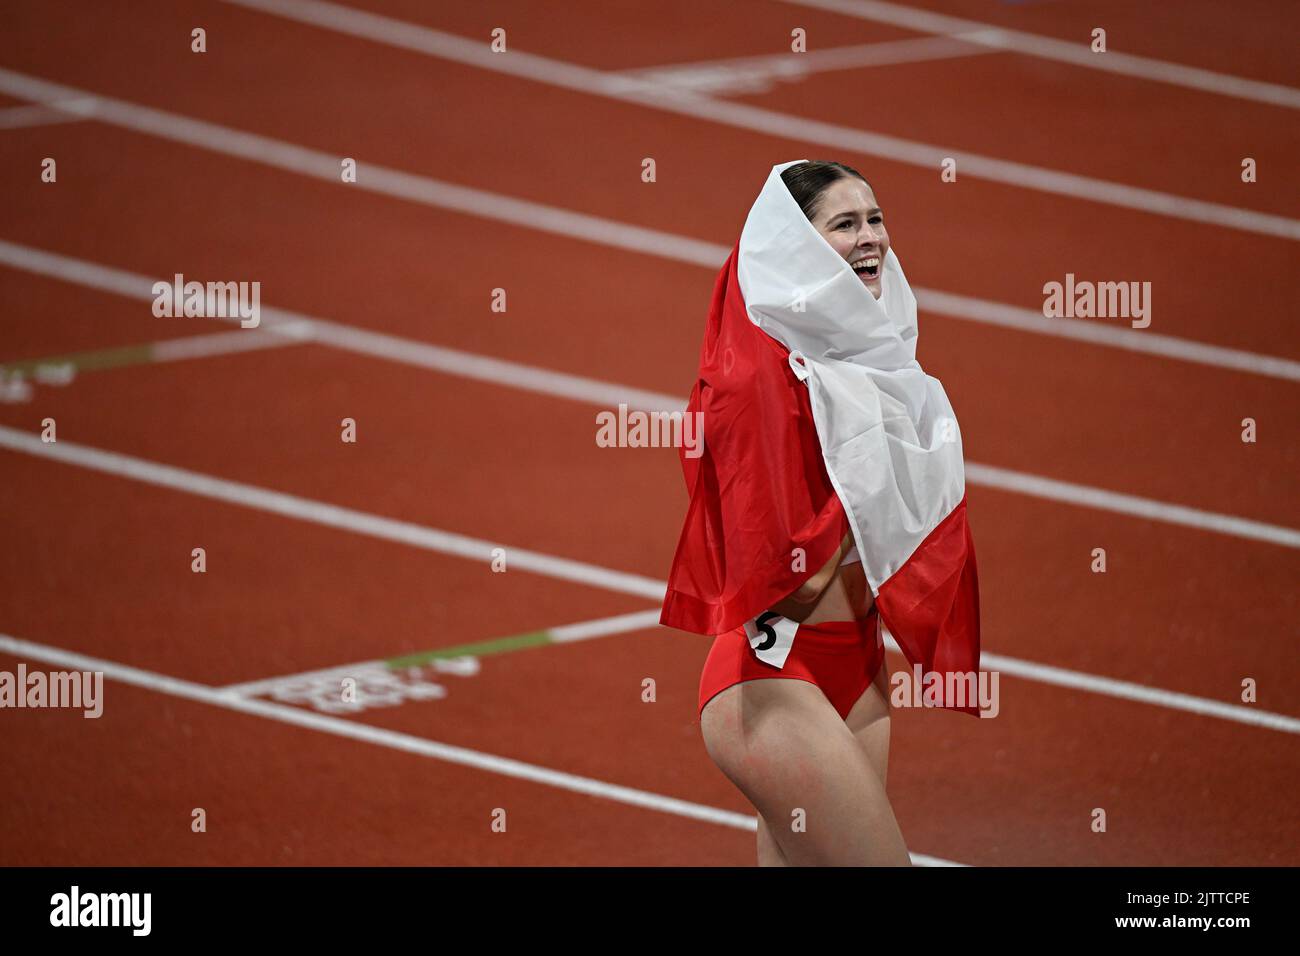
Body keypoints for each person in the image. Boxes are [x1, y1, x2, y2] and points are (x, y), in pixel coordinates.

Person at [661, 160, 982, 866]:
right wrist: (863, 469)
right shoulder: (758, 385)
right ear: (799, 249)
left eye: (874, 219)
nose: (871, 238)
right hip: (772, 680)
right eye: (844, 225)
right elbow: (791, 583)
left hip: (859, 667)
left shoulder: (875, 365)